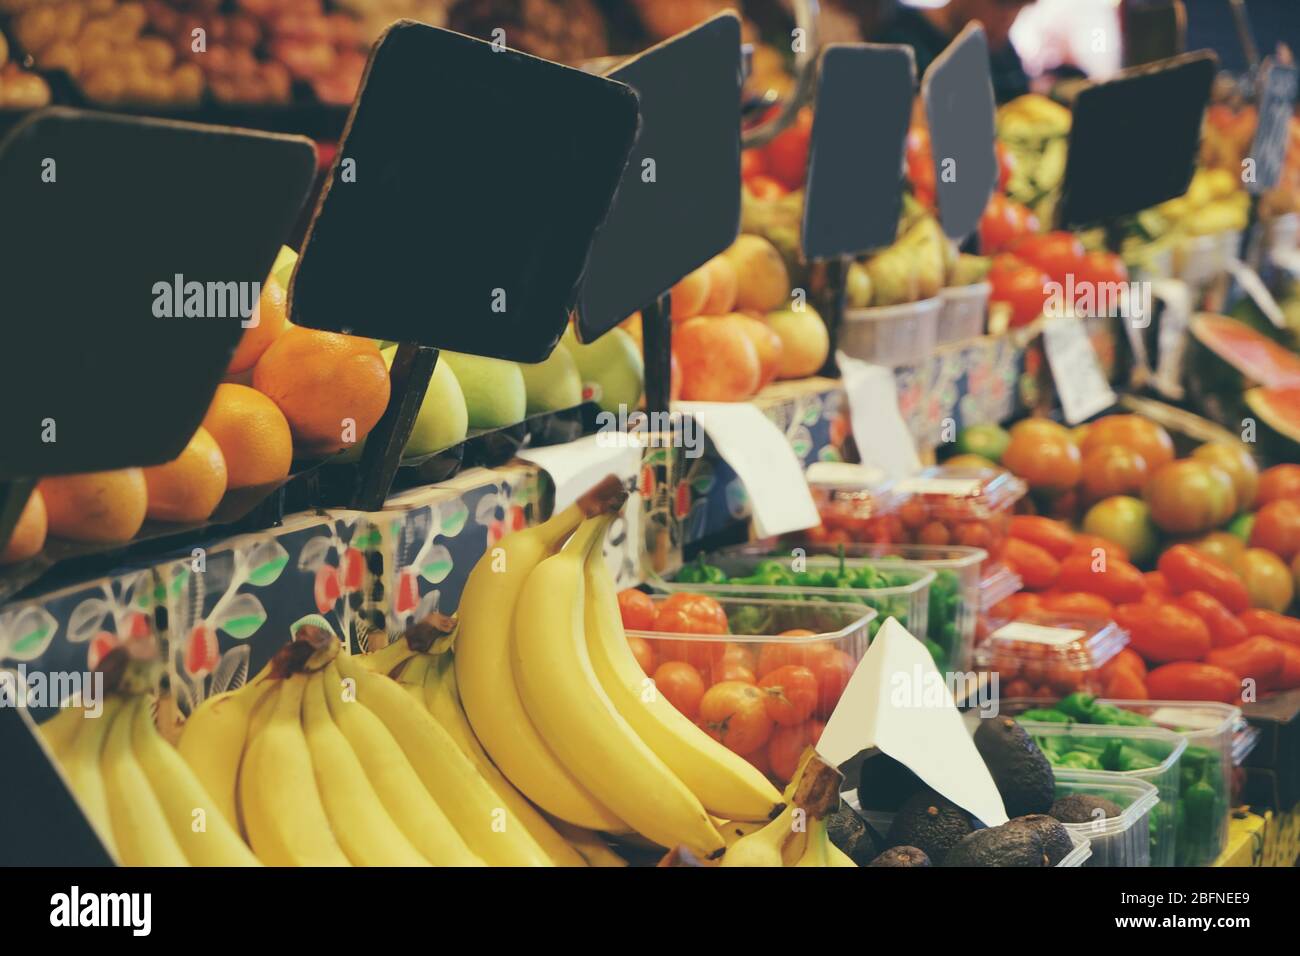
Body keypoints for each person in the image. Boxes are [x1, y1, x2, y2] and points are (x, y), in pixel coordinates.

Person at [870, 0, 1036, 102]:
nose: (1006, 21)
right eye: (1001, 4)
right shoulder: (901, 40)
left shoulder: (1003, 51)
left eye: (1019, 8)